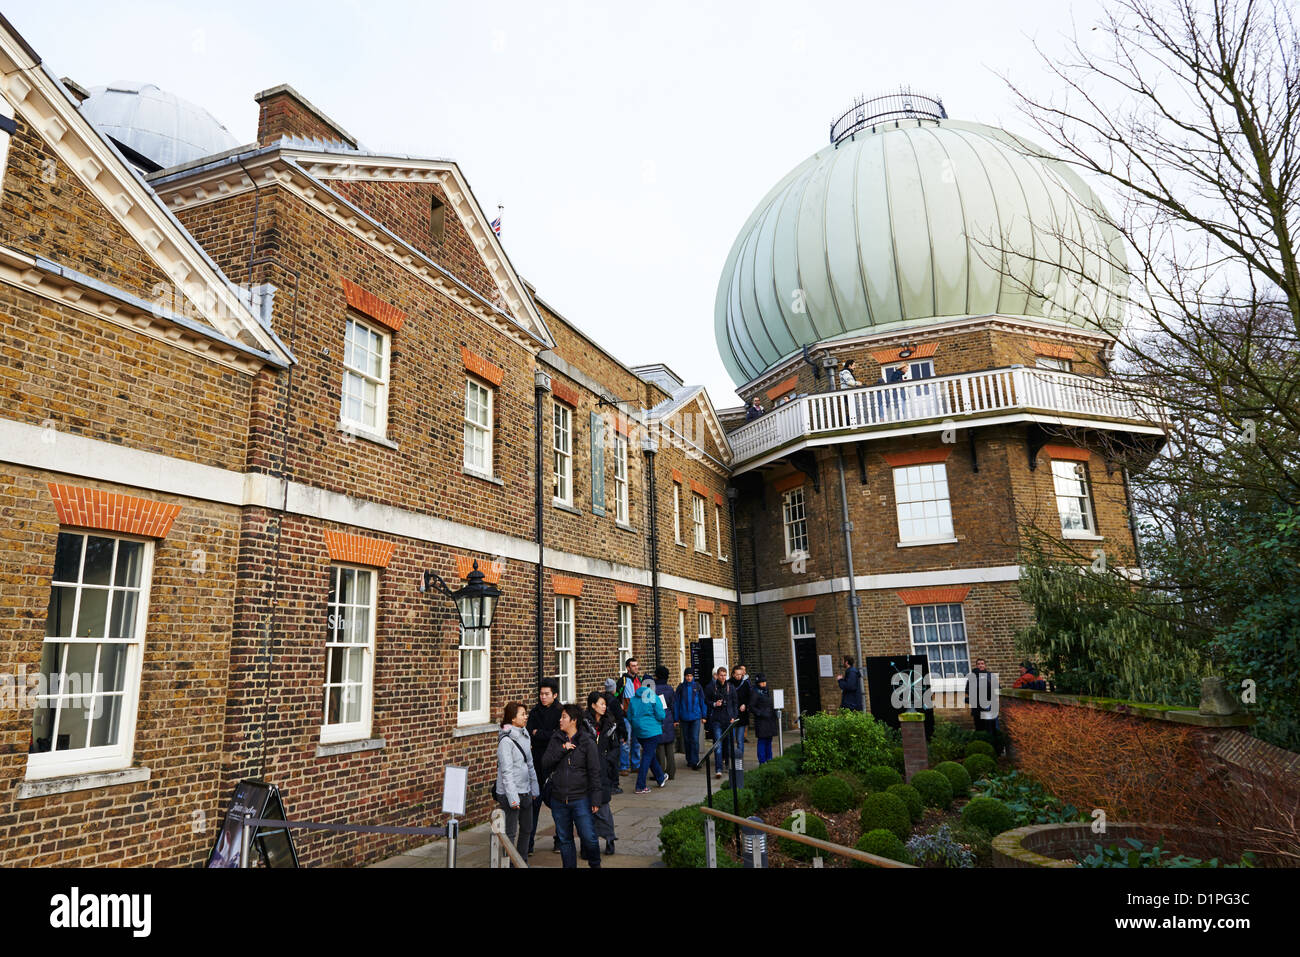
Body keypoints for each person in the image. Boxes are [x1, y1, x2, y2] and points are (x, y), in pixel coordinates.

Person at [540, 703, 603, 868]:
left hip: (580, 798)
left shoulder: (587, 742)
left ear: (574, 720)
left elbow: (595, 772)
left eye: (564, 717)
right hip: (559, 799)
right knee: (565, 839)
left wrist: (596, 799)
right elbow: (545, 762)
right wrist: (563, 748)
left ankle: (595, 864)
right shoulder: (556, 738)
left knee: (588, 837)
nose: (560, 720)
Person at [496, 701, 539, 864]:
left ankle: (521, 862)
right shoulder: (506, 742)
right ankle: (506, 863)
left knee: (527, 828)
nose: (526, 716)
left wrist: (534, 788)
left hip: (525, 790)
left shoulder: (525, 734)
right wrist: (513, 798)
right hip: (510, 794)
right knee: (510, 832)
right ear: (513, 718)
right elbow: (506, 772)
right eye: (522, 714)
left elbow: (530, 764)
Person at [525, 678, 562, 855]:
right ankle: (529, 844)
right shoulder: (534, 712)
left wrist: (540, 733)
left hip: (554, 765)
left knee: (557, 806)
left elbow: (557, 735)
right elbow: (529, 733)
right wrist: (542, 735)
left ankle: (560, 840)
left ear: (554, 695)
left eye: (547, 694)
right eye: (541, 694)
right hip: (536, 764)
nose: (543, 697)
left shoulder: (560, 712)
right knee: (534, 806)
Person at [584, 691, 619, 855]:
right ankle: (588, 845)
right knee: (585, 810)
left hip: (603, 771)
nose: (604, 707)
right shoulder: (584, 725)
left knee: (603, 807)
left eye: (605, 704)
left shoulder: (610, 724)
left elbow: (615, 748)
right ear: (593, 705)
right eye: (601, 704)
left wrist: (606, 759)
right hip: (586, 772)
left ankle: (610, 838)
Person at [627, 678, 668, 793]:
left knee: (650, 755)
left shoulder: (633, 699)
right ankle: (640, 786)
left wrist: (637, 726)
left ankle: (660, 777)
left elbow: (629, 716)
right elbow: (661, 715)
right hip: (652, 732)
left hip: (639, 733)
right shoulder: (653, 697)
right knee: (646, 757)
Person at [704, 666, 737, 779]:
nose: (723, 677)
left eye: (724, 675)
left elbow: (734, 703)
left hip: (728, 719)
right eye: (721, 675)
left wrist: (733, 716)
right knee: (718, 744)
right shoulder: (711, 687)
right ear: (717, 676)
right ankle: (718, 769)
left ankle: (727, 764)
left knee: (728, 744)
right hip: (717, 720)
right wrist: (714, 704)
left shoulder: (730, 687)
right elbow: (706, 700)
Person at [966, 658, 1001, 756]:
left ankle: (995, 749)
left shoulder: (990, 676)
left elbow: (997, 689)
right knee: (980, 728)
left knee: (992, 728)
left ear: (985, 665)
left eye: (982, 663)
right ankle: (983, 751)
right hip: (977, 708)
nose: (981, 665)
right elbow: (968, 690)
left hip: (990, 706)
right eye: (979, 664)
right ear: (976, 665)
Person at [674, 667, 707, 769]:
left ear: (693, 676)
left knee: (695, 739)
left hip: (696, 717)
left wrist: (704, 715)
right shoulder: (680, 687)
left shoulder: (697, 687)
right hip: (684, 717)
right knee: (687, 740)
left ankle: (695, 761)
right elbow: (676, 703)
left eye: (690, 676)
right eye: (687, 676)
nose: (689, 677)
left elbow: (702, 701)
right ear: (684, 676)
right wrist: (676, 718)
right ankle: (689, 759)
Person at [618, 657, 643, 775]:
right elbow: (617, 695)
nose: (636, 667)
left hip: (637, 716)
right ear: (628, 668)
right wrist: (619, 705)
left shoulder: (640, 680)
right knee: (625, 742)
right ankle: (624, 766)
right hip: (626, 716)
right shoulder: (622, 681)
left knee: (637, 742)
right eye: (633, 666)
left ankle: (636, 765)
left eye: (637, 665)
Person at [601, 678, 627, 794]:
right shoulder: (615, 702)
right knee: (614, 760)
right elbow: (620, 719)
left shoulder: (601, 700)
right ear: (613, 689)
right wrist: (624, 734)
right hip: (613, 733)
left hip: (603, 733)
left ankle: (607, 783)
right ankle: (614, 785)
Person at [653, 665, 678, 781]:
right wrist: (675, 719)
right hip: (668, 718)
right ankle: (671, 772)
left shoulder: (653, 689)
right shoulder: (669, 689)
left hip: (658, 719)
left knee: (659, 747)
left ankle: (660, 772)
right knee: (669, 746)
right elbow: (673, 706)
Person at [750, 674, 778, 765]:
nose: (764, 683)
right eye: (762, 682)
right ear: (758, 683)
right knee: (762, 741)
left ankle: (769, 759)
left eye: (764, 682)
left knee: (769, 741)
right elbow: (751, 707)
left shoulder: (766, 691)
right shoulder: (755, 692)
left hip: (770, 720)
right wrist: (760, 713)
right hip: (761, 721)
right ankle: (762, 761)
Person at [729, 665, 751, 767]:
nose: (739, 676)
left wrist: (745, 704)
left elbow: (749, 697)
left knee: (740, 740)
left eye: (740, 674)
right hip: (731, 716)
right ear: (733, 674)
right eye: (737, 674)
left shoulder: (745, 684)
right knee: (731, 739)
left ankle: (740, 761)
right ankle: (732, 760)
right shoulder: (728, 684)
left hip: (742, 716)